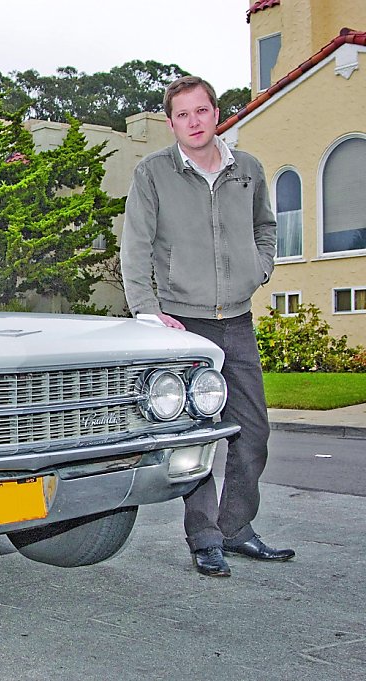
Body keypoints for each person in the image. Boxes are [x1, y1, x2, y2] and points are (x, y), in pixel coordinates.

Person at [121, 75, 295, 577]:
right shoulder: (153, 174)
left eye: (201, 111)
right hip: (183, 323)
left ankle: (237, 528)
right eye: (182, 114)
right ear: (172, 122)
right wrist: (148, 310)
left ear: (215, 114)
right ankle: (204, 537)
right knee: (196, 435)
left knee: (252, 430)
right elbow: (135, 247)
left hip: (236, 317)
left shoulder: (249, 169)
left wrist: (258, 268)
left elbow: (266, 226)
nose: (193, 122)